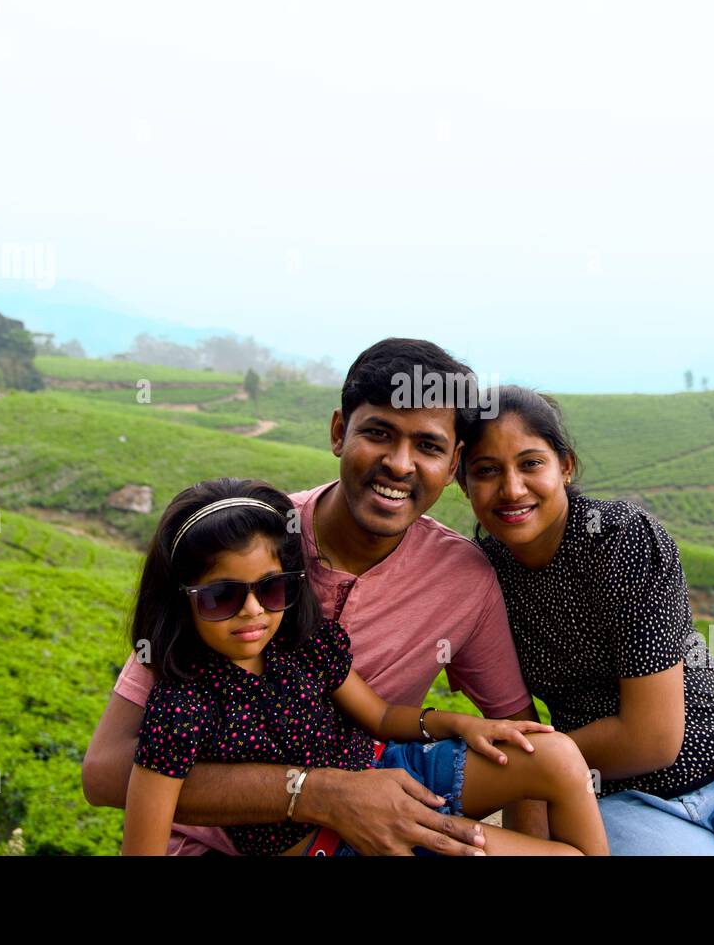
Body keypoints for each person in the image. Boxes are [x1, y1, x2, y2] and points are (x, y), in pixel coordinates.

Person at [83, 338, 549, 855]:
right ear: (337, 432)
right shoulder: (248, 543)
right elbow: (104, 773)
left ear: (454, 461)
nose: (399, 464)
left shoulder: (464, 579)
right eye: (378, 433)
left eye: (429, 446)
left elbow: (516, 739)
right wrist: (315, 793)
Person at [455, 385, 714, 855]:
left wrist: (540, 763)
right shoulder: (480, 580)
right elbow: (512, 721)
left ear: (565, 467)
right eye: (486, 471)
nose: (512, 488)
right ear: (463, 483)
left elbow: (652, 738)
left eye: (531, 463)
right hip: (615, 796)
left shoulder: (620, 539)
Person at [122, 476, 608, 856]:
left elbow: (377, 716)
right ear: (181, 601)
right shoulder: (182, 707)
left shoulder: (302, 647)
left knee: (558, 756)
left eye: (271, 589)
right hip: (323, 844)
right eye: (222, 596)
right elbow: (144, 833)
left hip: (388, 771)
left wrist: (461, 724)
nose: (252, 611)